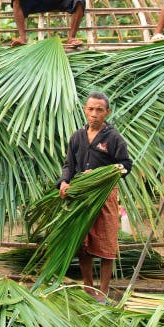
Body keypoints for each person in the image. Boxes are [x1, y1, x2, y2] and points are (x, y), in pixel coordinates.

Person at [57, 93, 133, 303]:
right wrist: (64, 182)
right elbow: (68, 165)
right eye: (91, 109)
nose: (94, 114)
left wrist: (103, 174)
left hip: (105, 196)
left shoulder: (114, 138)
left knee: (107, 245)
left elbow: (126, 165)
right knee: (84, 243)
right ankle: (88, 287)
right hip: (82, 196)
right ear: (84, 110)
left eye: (99, 110)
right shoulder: (77, 137)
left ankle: (103, 291)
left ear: (107, 112)